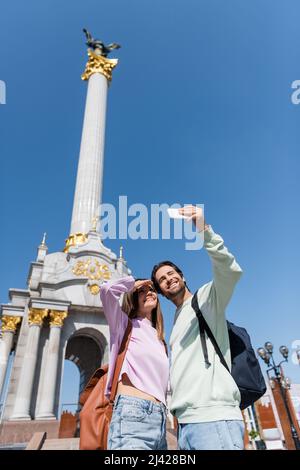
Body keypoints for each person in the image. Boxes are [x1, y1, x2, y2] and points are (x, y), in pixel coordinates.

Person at [151, 205, 245, 450]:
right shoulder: (176, 319)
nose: (168, 278)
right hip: (187, 424)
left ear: (182, 276)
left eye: (172, 273)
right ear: (161, 291)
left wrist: (203, 230)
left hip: (213, 418)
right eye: (162, 279)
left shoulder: (206, 299)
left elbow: (229, 270)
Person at [100, 276, 169, 450]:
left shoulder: (160, 338)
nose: (149, 292)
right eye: (142, 292)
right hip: (133, 413)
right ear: (132, 298)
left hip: (160, 418)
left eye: (151, 290)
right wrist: (135, 284)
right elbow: (107, 291)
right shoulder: (124, 324)